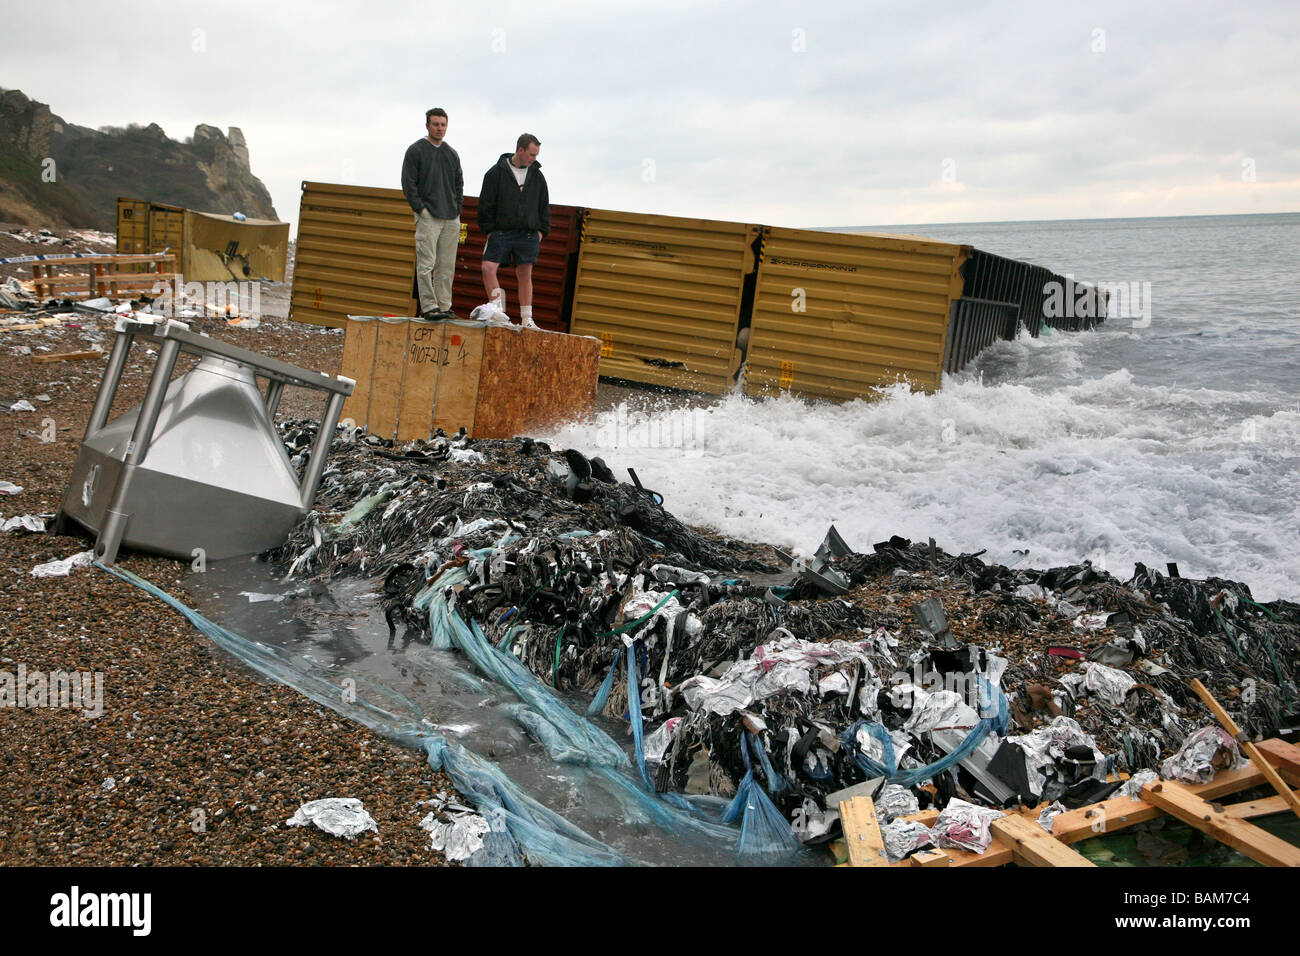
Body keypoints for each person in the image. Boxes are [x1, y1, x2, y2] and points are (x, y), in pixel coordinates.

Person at [477, 133, 550, 327]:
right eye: (532, 154)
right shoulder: (495, 173)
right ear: (520, 150)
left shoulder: (537, 175)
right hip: (500, 231)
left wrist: (542, 231)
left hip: (528, 233)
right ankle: (497, 312)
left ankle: (527, 319)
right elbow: (485, 204)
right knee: (488, 268)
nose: (535, 159)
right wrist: (489, 230)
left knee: (525, 272)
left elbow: (544, 204)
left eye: (536, 155)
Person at [401, 107, 463, 319]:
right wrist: (421, 209)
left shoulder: (451, 154)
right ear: (427, 125)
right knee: (426, 263)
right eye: (435, 124)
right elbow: (408, 183)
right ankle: (429, 307)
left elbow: (459, 183)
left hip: (451, 217)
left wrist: (457, 209)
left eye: (443, 124)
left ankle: (444, 306)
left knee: (446, 265)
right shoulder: (416, 151)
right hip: (428, 216)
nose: (439, 128)